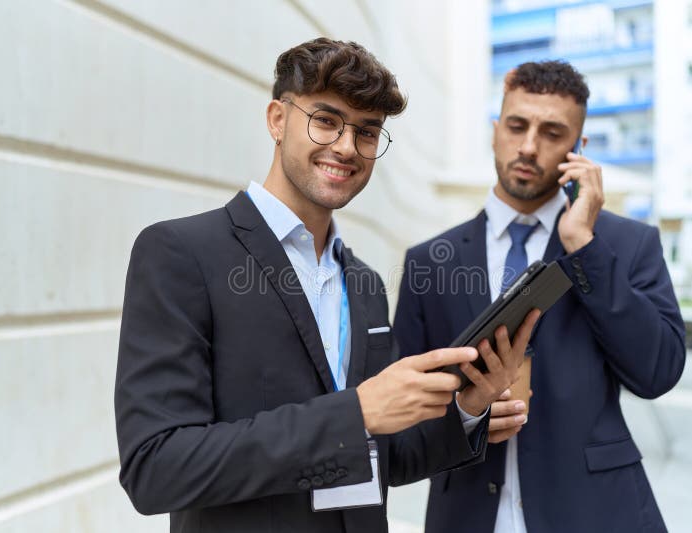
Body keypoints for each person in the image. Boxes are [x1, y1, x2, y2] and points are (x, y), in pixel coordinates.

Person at [114, 38, 539, 533]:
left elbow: (388, 455)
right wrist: (354, 413)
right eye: (326, 120)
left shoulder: (365, 284)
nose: (346, 146)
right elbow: (156, 467)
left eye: (367, 131)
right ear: (277, 119)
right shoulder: (181, 253)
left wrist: (468, 409)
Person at [394, 60, 686, 533]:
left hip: (595, 513)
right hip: (466, 515)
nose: (529, 146)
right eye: (517, 126)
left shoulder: (628, 245)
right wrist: (467, 417)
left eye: (552, 133)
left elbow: (658, 372)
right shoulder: (429, 262)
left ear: (579, 149)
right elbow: (406, 411)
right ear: (495, 131)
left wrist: (584, 248)